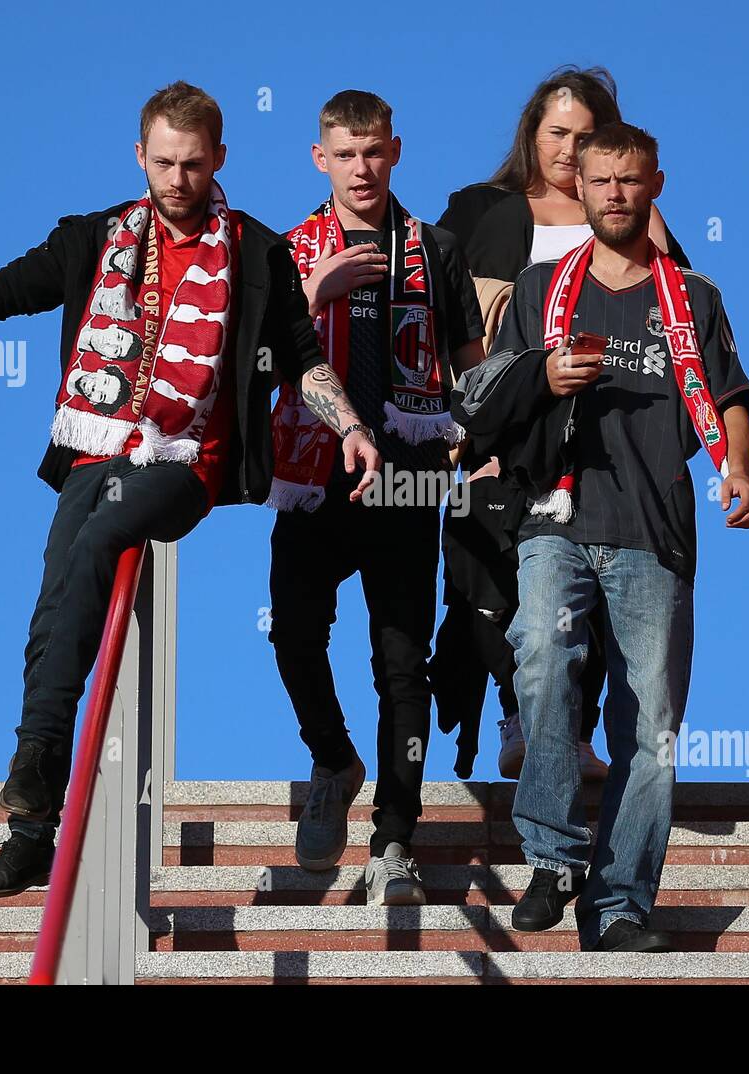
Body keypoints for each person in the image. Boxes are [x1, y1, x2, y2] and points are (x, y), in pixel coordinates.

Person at [0, 81, 381, 898]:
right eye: (161, 162)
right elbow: (0, 294)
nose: (176, 180)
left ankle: (36, 767)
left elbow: (299, 353)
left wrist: (352, 423)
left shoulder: (256, 251)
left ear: (219, 159)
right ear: (138, 156)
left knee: (99, 542)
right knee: (54, 609)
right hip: (91, 454)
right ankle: (31, 826)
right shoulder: (92, 237)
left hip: (184, 463)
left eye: (192, 164)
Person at [451, 122, 749, 952]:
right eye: (600, 181)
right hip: (555, 517)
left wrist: (738, 468)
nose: (616, 194)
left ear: (656, 183)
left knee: (650, 726)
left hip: (655, 533)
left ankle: (620, 905)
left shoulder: (693, 296)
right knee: (545, 662)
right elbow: (479, 394)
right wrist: (543, 376)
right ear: (578, 188)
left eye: (630, 180)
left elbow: (730, 392)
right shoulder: (540, 287)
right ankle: (553, 860)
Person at [433, 67, 692, 781]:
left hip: (610, 445)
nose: (569, 149)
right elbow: (436, 310)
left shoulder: (621, 213)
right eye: (557, 133)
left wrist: (654, 224)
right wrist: (470, 431)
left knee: (601, 589)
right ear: (532, 133)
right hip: (500, 433)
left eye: (586, 137)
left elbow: (685, 321)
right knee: (495, 578)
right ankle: (522, 717)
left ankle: (573, 733)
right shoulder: (484, 208)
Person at [266, 90, 484, 905]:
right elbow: (254, 367)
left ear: (396, 152)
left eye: (375, 152)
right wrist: (311, 293)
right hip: (312, 471)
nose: (362, 169)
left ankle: (394, 842)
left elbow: (471, 368)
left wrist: (476, 452)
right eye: (345, 154)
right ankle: (332, 757)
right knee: (291, 632)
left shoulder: (436, 248)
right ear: (319, 158)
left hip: (406, 475)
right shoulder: (286, 252)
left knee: (402, 664)